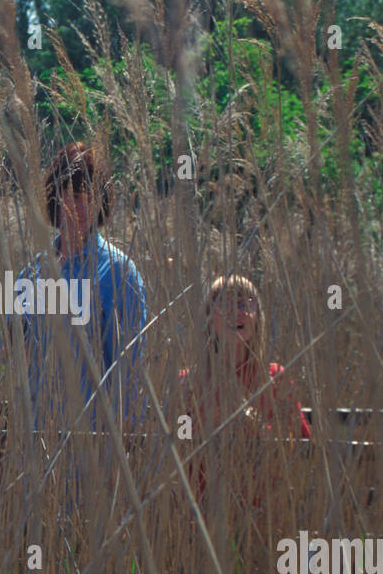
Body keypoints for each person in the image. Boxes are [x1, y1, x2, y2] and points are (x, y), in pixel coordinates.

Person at [15, 142, 148, 434]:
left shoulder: (118, 273)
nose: (81, 208)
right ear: (55, 198)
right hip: (37, 439)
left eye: (89, 198)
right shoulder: (32, 275)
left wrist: (124, 440)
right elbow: (17, 360)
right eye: (73, 196)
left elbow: (129, 369)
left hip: (92, 445)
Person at [179, 274, 310, 504]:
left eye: (244, 304)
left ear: (258, 317)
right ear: (209, 317)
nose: (236, 312)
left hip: (263, 510)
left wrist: (250, 423)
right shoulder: (189, 382)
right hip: (202, 509)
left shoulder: (275, 379)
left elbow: (299, 447)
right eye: (225, 303)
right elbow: (175, 447)